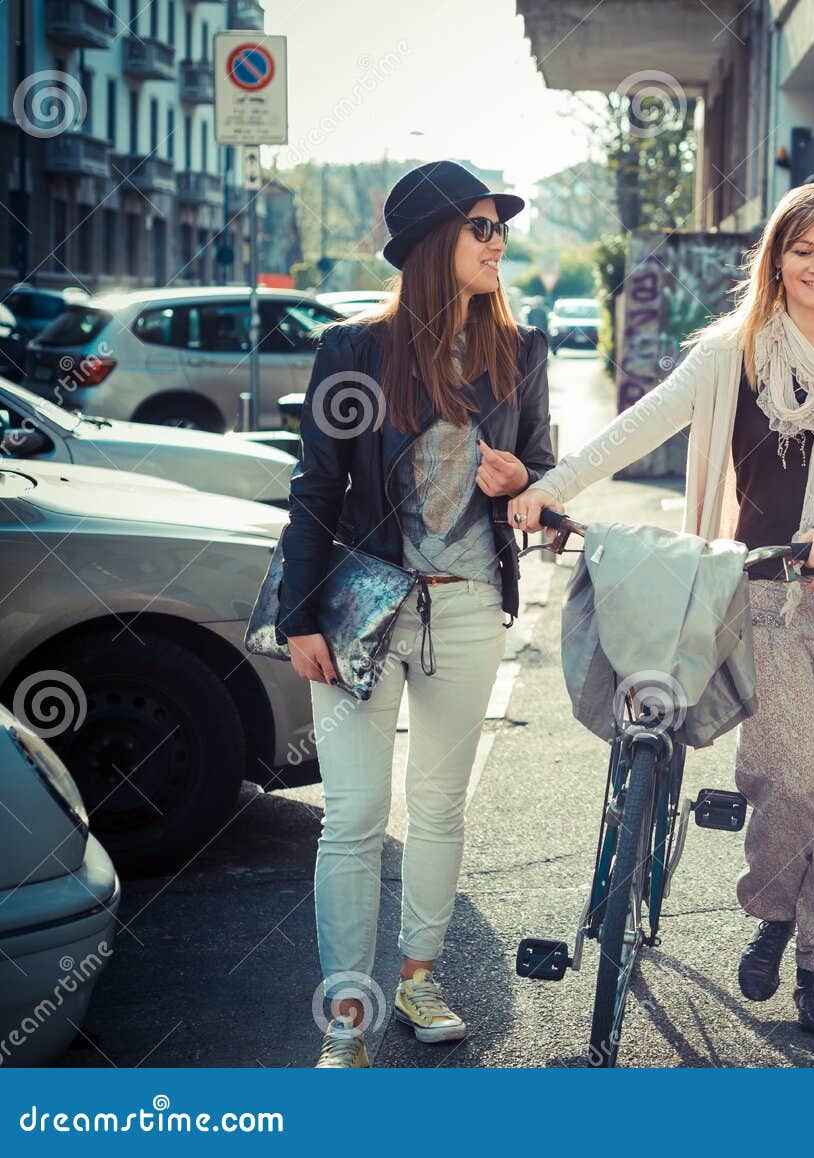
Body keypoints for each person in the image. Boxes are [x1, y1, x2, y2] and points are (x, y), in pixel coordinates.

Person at [510, 183, 814, 1034]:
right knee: (792, 782)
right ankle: (774, 910)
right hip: (766, 589)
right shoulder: (733, 353)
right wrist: (546, 489)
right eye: (803, 250)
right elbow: (638, 426)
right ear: (776, 257)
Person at [276, 161, 555, 1067]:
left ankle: (420, 976)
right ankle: (346, 1016)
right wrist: (299, 615)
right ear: (436, 244)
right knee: (352, 814)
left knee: (438, 806)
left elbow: (545, 477)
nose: (498, 240)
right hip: (365, 606)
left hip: (470, 606)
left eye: (500, 226)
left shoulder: (522, 348)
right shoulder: (352, 350)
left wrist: (526, 484)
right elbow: (316, 487)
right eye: (480, 227)